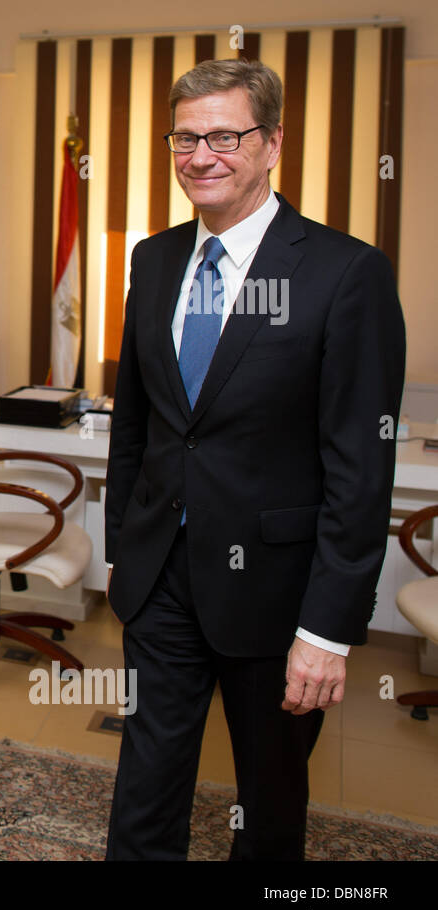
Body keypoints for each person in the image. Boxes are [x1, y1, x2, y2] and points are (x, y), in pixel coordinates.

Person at [104, 58, 406, 860]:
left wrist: (329, 630)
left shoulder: (347, 274)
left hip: (279, 597)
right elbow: (136, 424)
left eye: (226, 136)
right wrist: (120, 555)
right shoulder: (154, 259)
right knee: (145, 786)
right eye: (185, 138)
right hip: (161, 579)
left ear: (272, 144)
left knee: (269, 804)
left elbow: (360, 468)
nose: (201, 156)